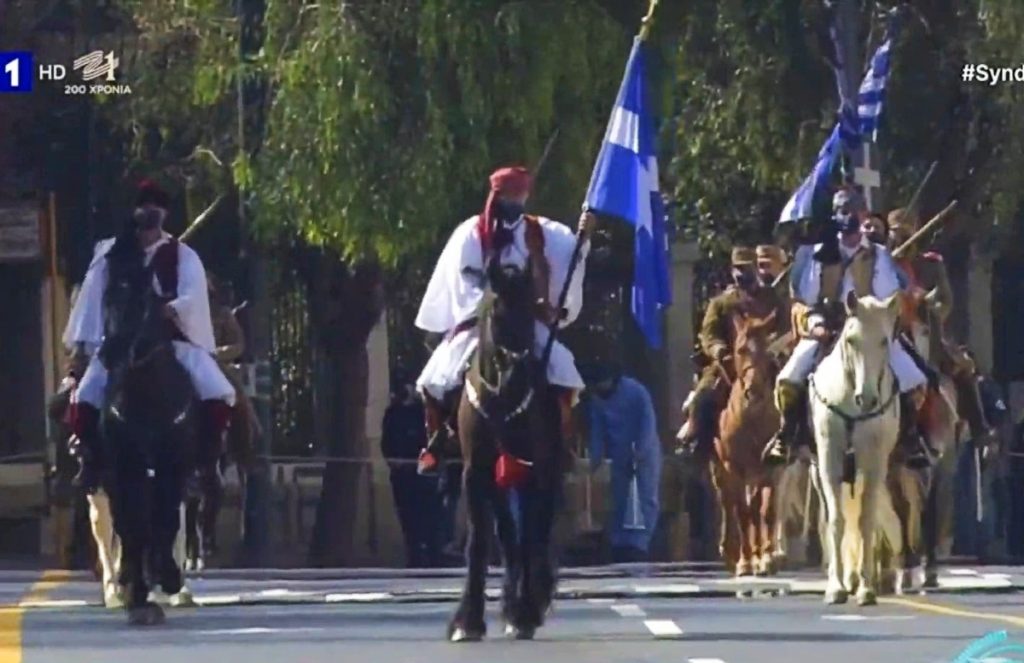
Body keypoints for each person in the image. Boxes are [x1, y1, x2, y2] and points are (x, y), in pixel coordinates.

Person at [414, 165, 596, 473]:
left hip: (526, 321)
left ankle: (562, 442)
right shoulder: (471, 233)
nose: (517, 203)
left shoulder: (542, 231)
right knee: (438, 378)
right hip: (484, 321)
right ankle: (440, 440)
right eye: (510, 197)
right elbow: (465, 279)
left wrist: (583, 238)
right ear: (496, 197)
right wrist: (493, 304)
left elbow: (570, 254)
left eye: (521, 197)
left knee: (562, 369)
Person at [63, 179, 236, 491]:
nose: (149, 210)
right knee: (86, 393)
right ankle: (89, 461)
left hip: (170, 340)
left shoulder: (182, 255)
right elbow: (92, 296)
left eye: (156, 205)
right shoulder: (110, 253)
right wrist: (86, 343)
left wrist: (172, 308)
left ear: (164, 214)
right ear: (135, 211)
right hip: (119, 344)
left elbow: (192, 294)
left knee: (217, 389)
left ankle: (207, 462)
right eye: (144, 204)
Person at [763, 204, 935, 468]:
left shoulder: (878, 255)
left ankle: (910, 438)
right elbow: (806, 299)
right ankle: (788, 435)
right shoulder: (817, 254)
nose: (850, 234)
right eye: (844, 223)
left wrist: (875, 320)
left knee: (914, 378)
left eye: (854, 225)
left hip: (868, 326)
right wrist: (815, 324)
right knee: (789, 378)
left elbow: (888, 296)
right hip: (826, 327)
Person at [887, 208, 992, 444]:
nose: (901, 238)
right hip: (888, 327)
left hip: (923, 325)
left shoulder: (930, 263)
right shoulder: (882, 263)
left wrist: (928, 306)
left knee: (961, 366)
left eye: (906, 233)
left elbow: (946, 300)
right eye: (896, 233)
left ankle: (979, 428)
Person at [677, 247, 789, 460]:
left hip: (765, 361)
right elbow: (708, 334)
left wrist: (774, 349)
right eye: (738, 269)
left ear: (756, 269)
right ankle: (697, 444)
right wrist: (718, 350)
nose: (741, 274)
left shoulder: (773, 299)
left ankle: (797, 441)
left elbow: (784, 328)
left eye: (746, 268)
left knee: (792, 391)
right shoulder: (721, 303)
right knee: (704, 397)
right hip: (727, 364)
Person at [581, 364, 662, 562]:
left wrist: (640, 450)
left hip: (644, 455)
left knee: (644, 497)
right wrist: (595, 459)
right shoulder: (597, 399)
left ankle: (640, 544)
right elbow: (598, 431)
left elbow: (648, 422)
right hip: (620, 455)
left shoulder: (636, 392)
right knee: (620, 498)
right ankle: (620, 543)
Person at [381, 379, 442, 567]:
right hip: (401, 475)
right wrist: (394, 462)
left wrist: (426, 465)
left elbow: (429, 439)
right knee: (408, 517)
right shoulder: (392, 414)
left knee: (429, 515)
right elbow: (386, 443)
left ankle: (433, 555)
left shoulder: (421, 412)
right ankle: (414, 555)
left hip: (423, 474)